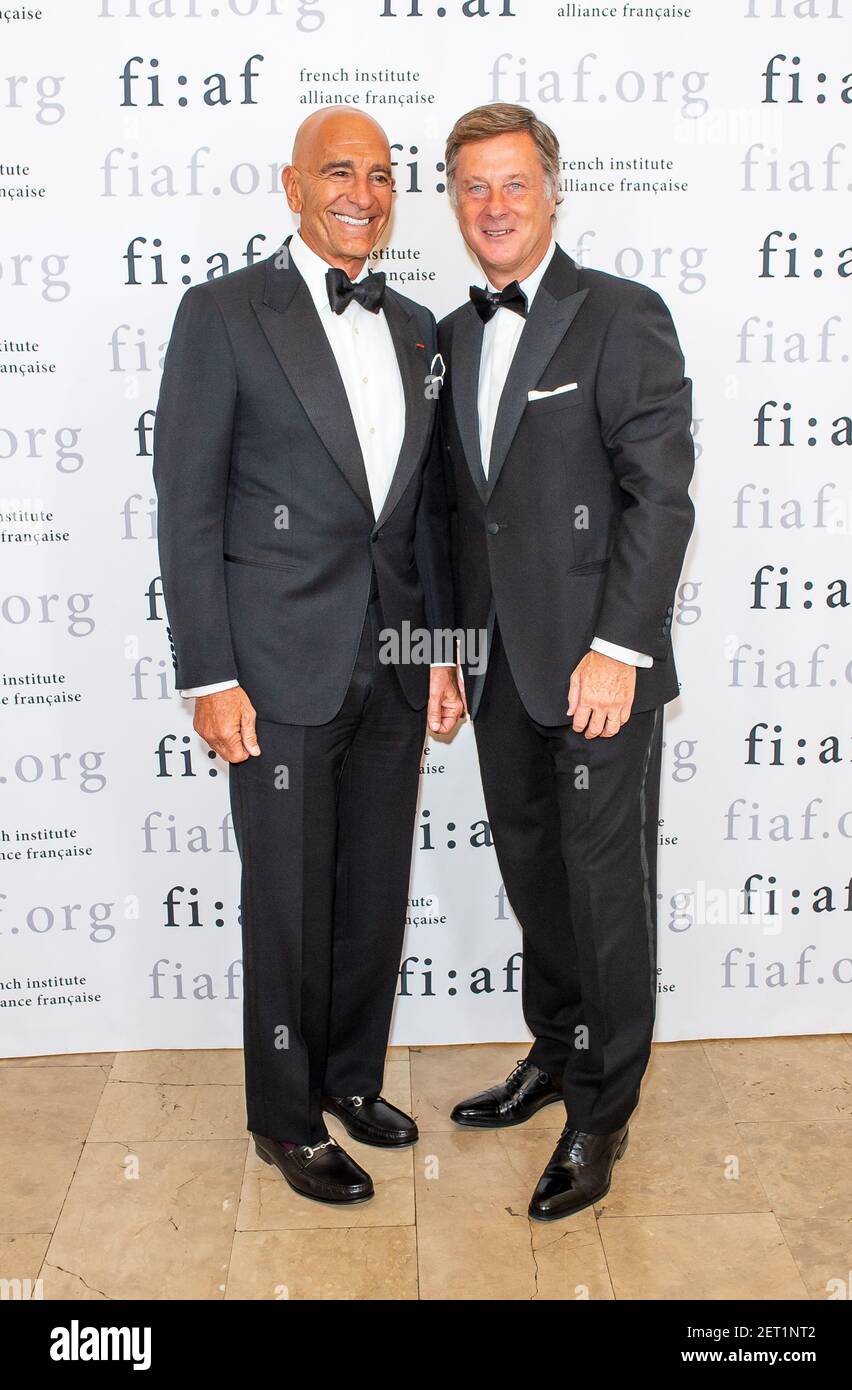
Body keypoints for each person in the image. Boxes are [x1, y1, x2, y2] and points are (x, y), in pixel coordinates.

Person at [153, 108, 461, 1206]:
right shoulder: (224, 313)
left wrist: (438, 652)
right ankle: (285, 1118)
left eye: (380, 176)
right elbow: (185, 507)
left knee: (373, 890)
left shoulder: (420, 327)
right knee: (286, 899)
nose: (362, 194)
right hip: (273, 668)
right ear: (292, 185)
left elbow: (422, 514)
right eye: (339, 172)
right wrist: (208, 673)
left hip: (389, 659)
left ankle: (349, 1077)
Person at [438, 102, 695, 1220]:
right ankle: (554, 1051)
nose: (492, 207)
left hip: (597, 673)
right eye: (471, 188)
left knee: (603, 898)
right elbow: (449, 521)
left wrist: (616, 649)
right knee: (535, 880)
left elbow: (659, 498)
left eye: (510, 184)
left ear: (551, 191)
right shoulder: (449, 337)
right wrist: (448, 652)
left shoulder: (621, 316)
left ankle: (599, 1114)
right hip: (497, 671)